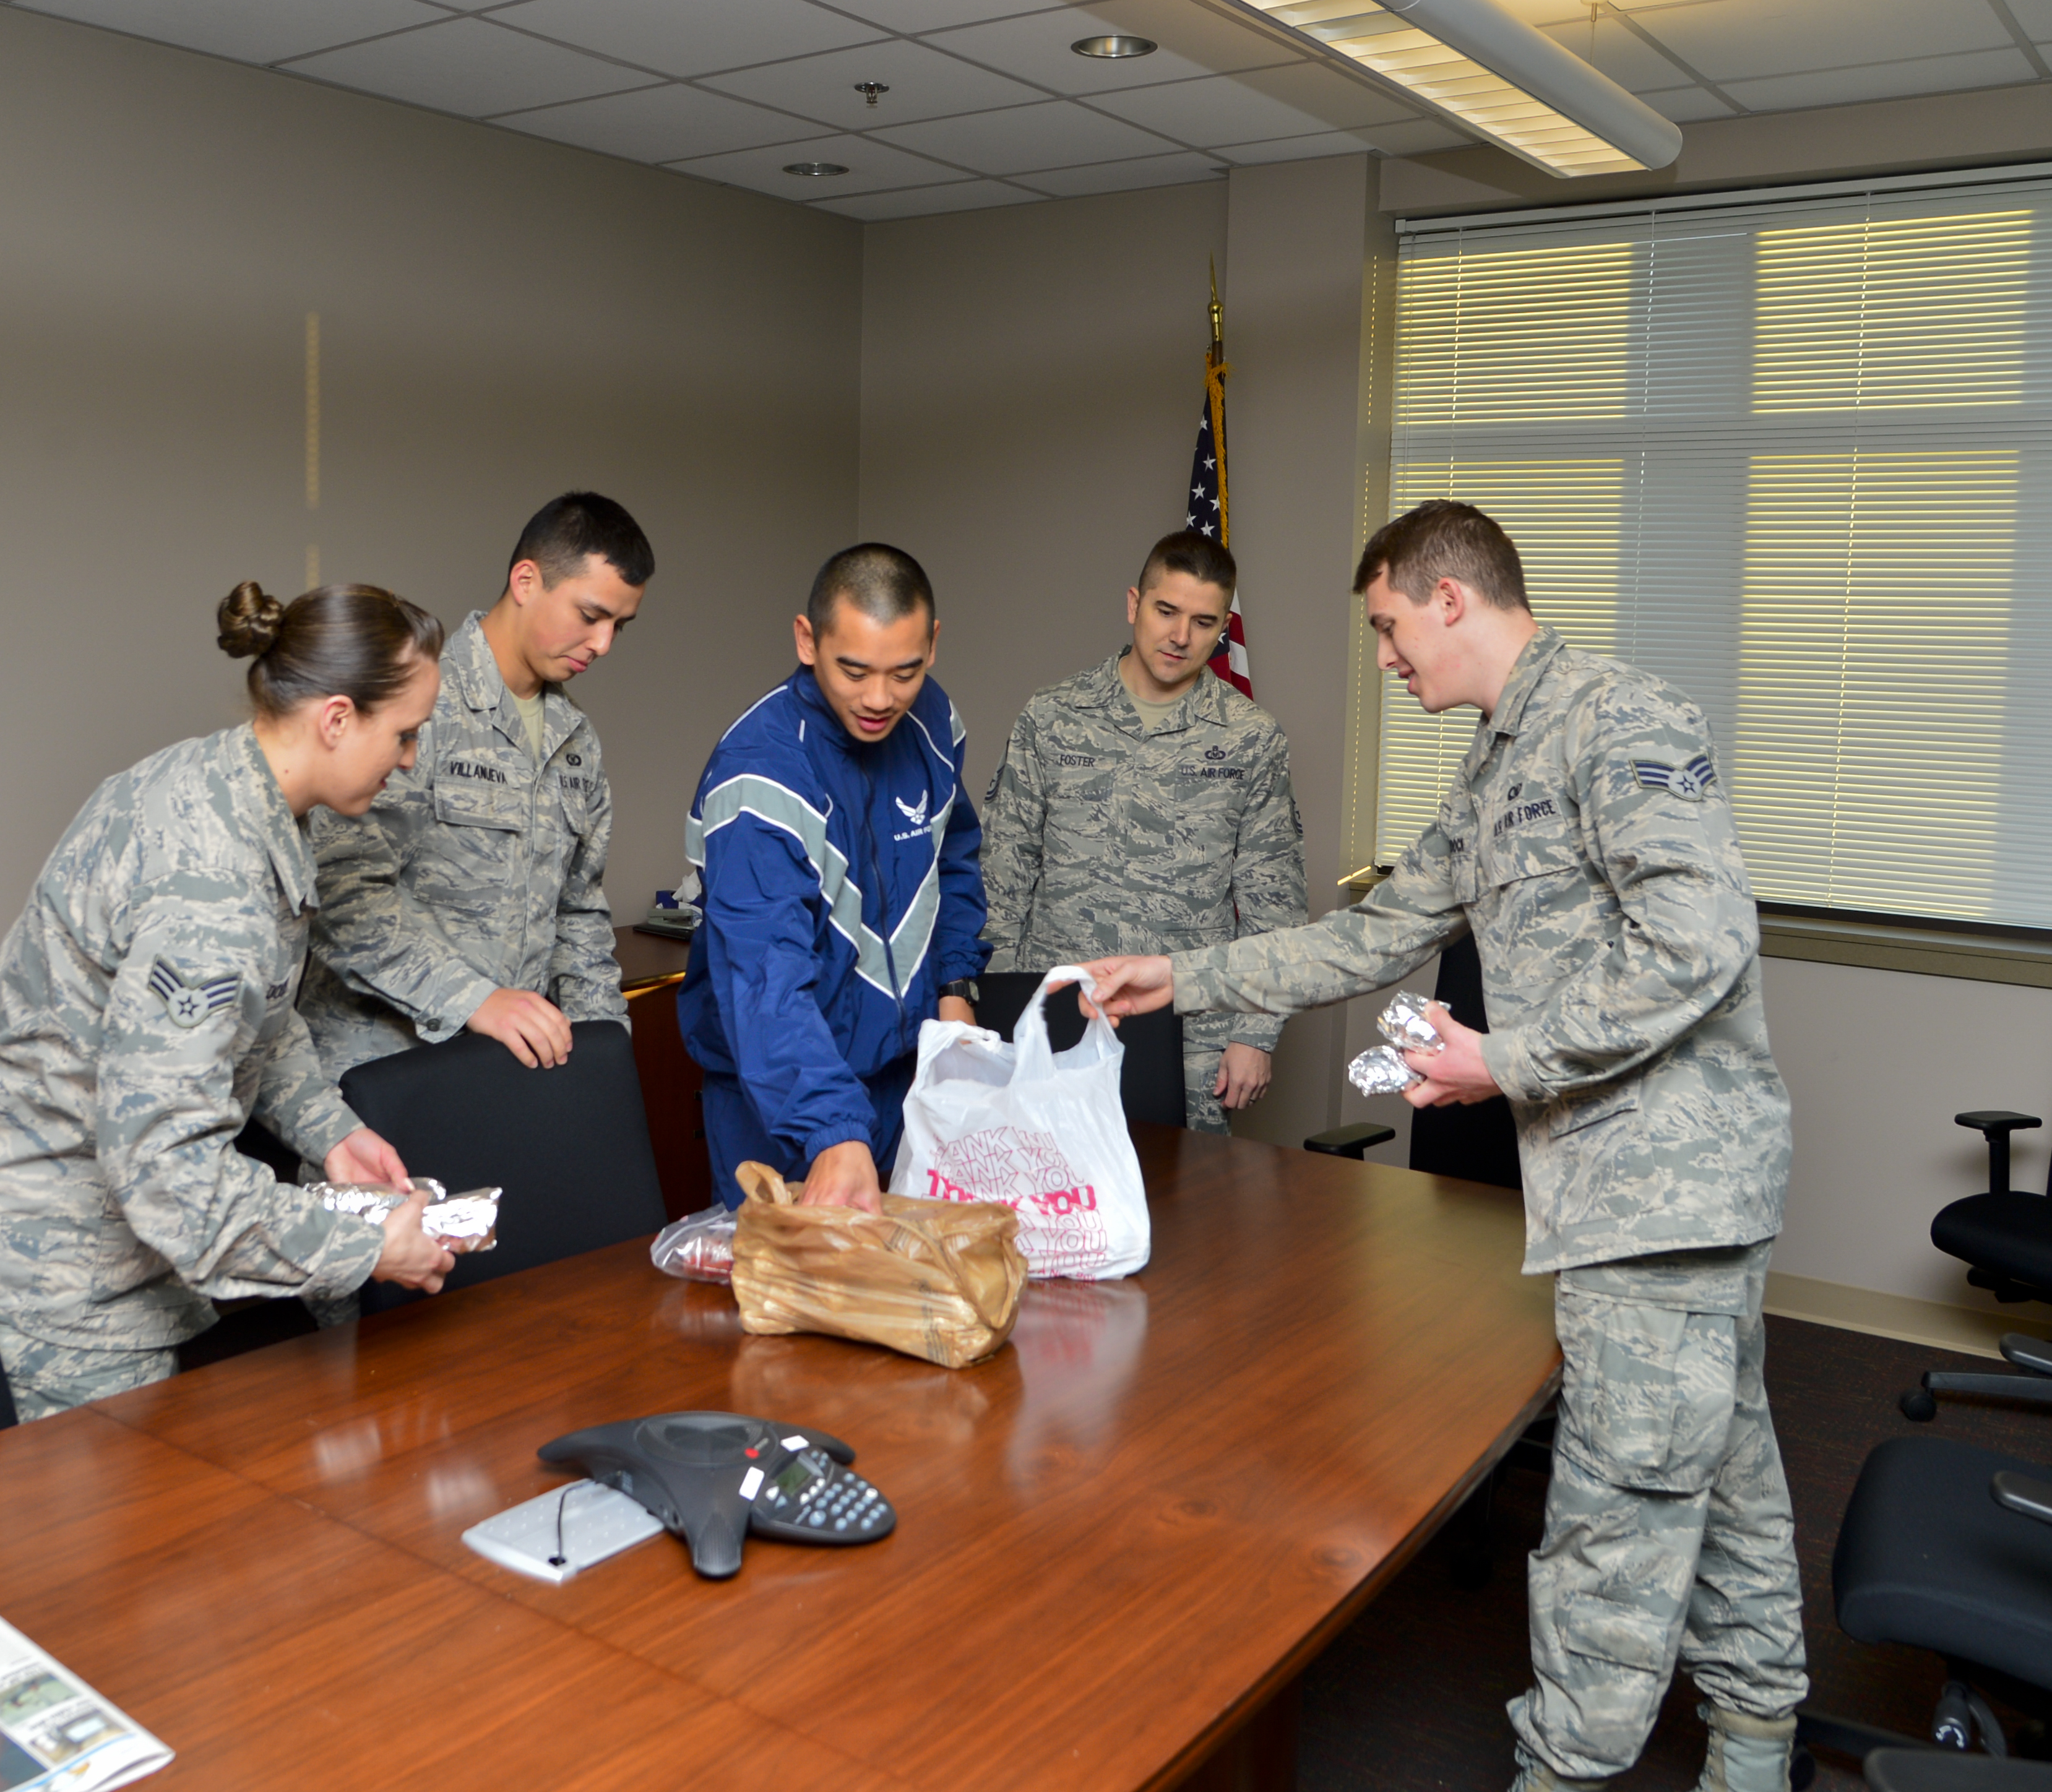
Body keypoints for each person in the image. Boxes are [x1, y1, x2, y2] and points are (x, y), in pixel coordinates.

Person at [1079, 501, 1808, 1792]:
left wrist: (1500, 1059)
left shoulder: (1616, 718)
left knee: (1617, 1509)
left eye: (1384, 626)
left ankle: (1565, 1773)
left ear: (1449, 597)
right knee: (1720, 1456)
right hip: (1619, 1188)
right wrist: (1176, 976)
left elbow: (1697, 944)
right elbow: (1368, 933)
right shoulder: (1492, 762)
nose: (1380, 658)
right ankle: (1754, 1735)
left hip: (1662, 1189)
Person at [0, 583, 463, 1420]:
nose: (411, 758)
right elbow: (169, 1175)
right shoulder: (211, 890)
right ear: (337, 719)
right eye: (405, 733)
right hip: (47, 1280)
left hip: (60, 1239)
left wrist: (331, 1133)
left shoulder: (223, 785)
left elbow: (253, 1024)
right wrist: (363, 1245)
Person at [298, 492, 653, 1079]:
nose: (604, 643)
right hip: (382, 1076)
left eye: (620, 624)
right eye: (591, 616)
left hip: (503, 1079)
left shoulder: (576, 741)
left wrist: (603, 1057)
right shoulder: (416, 704)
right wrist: (473, 1000)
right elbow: (340, 895)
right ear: (526, 580)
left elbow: (578, 912)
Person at [678, 543, 989, 1214]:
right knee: (781, 1311)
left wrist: (956, 987)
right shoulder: (759, 777)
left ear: (932, 646)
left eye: (903, 671)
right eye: (853, 670)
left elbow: (953, 858)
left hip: (906, 1084)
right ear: (806, 640)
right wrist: (831, 1128)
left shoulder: (933, 721)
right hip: (782, 1101)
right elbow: (766, 977)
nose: (879, 699)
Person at [980, 530, 1304, 1131]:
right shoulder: (1051, 718)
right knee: (1050, 1209)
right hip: (1056, 1015)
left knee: (1192, 1215)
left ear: (1221, 629)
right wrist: (994, 1020)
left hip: (1192, 1034)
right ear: (1134, 604)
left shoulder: (1250, 737)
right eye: (1165, 611)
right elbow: (1002, 877)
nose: (1180, 636)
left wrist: (1255, 1033)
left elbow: (1273, 906)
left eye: (1203, 622)